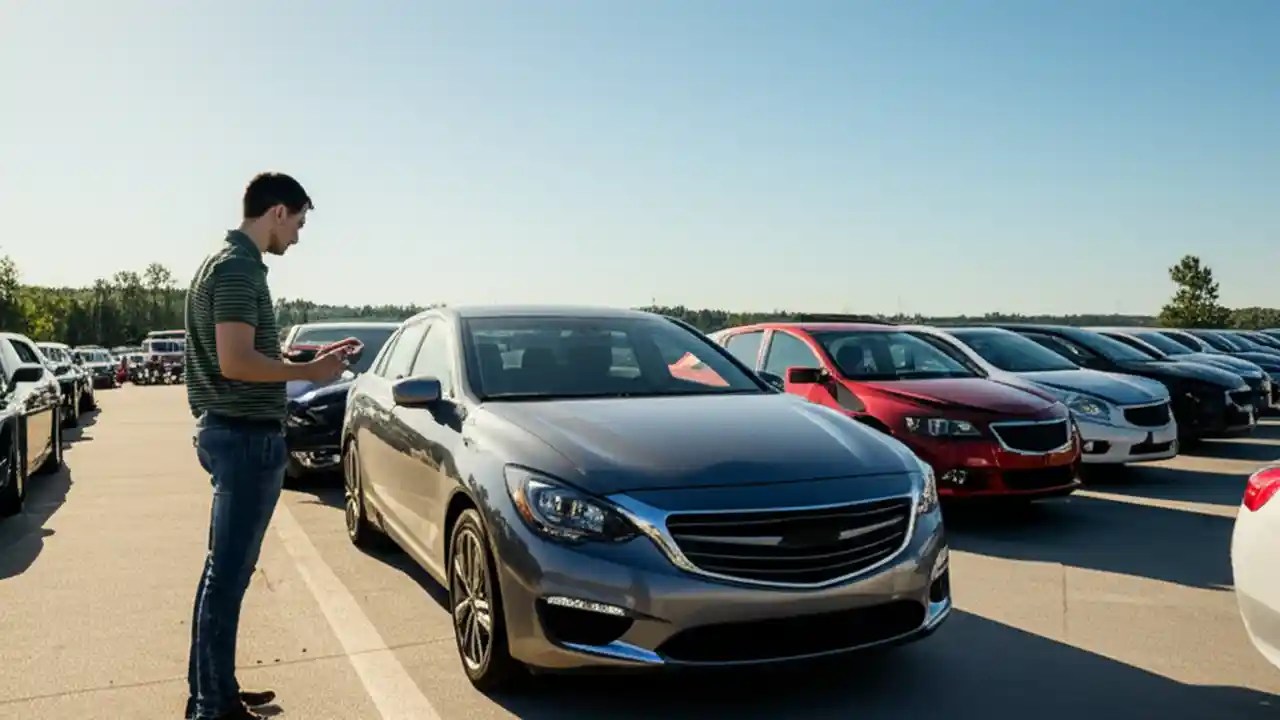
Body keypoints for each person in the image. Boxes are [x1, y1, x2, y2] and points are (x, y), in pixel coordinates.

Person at [183, 172, 355, 720]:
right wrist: (313, 371)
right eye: (299, 223)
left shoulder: (227, 263)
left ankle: (214, 692)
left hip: (234, 432)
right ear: (277, 212)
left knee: (221, 576)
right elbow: (236, 362)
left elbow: (245, 352)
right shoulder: (237, 268)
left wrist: (308, 358)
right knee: (227, 578)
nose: (298, 237)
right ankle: (214, 707)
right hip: (243, 438)